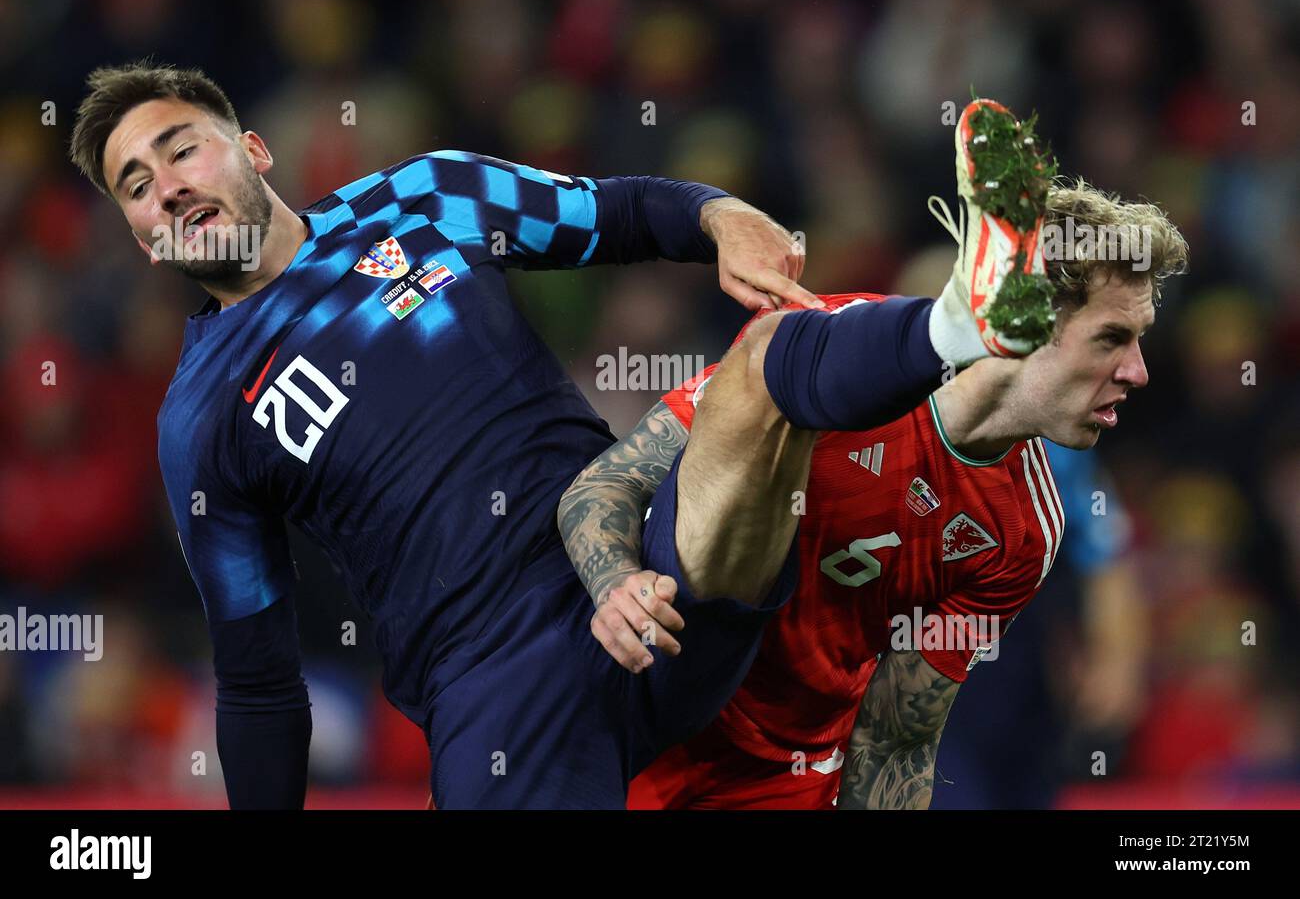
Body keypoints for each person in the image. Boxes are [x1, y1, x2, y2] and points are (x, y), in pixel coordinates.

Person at [69, 65, 1047, 807]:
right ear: (141, 233)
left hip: (628, 549)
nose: (166, 186)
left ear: (252, 149)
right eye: (136, 185)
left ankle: (966, 320)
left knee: (763, 365)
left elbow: (611, 212)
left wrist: (718, 214)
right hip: (494, 681)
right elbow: (257, 679)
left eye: (180, 147)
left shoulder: (421, 198)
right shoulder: (199, 420)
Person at [558, 105, 1188, 809]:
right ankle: (952, 321)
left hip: (776, 782)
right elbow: (606, 483)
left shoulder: (1027, 529)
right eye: (1111, 339)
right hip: (634, 713)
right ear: (1035, 323)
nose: (1138, 371)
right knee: (774, 363)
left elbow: (895, 740)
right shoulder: (830, 346)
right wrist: (615, 584)